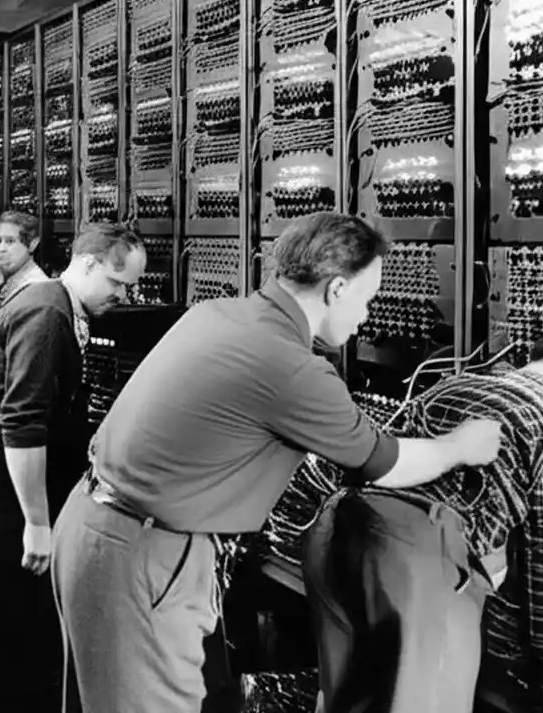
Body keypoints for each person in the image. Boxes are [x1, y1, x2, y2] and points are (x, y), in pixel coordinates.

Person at [51, 212, 503, 711]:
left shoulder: (219, 313)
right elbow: (386, 464)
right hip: (144, 554)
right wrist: (462, 445)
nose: (367, 316)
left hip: (92, 526)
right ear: (336, 289)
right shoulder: (290, 367)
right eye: (368, 298)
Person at [301, 320, 543, 713]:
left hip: (334, 532)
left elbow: (374, 458)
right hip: (418, 567)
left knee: (348, 700)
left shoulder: (453, 386)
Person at [0, 223, 147, 712]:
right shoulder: (47, 311)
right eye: (117, 283)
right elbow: (21, 420)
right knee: (11, 652)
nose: (122, 296)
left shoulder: (55, 305)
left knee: (12, 646)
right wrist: (36, 522)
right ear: (90, 263)